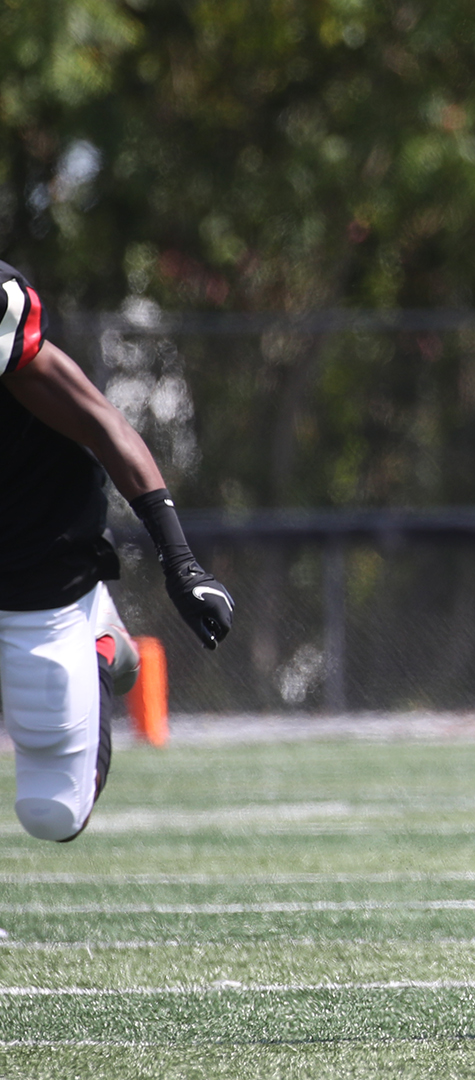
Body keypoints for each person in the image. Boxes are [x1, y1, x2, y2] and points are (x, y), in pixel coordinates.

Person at [1, 261, 234, 842]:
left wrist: (180, 561)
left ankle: (99, 643)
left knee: (52, 811)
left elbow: (103, 423)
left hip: (34, 558)